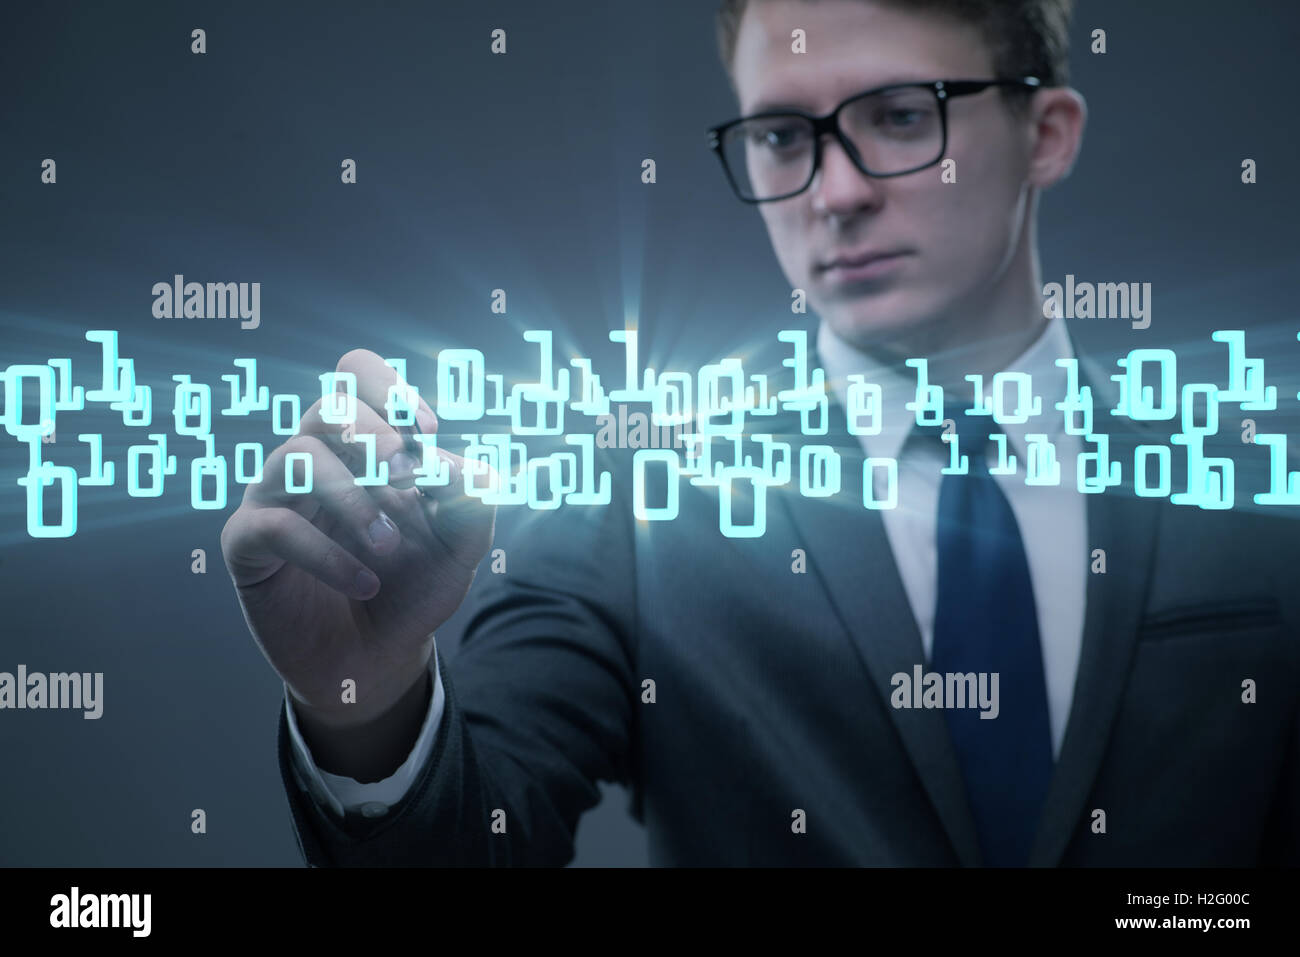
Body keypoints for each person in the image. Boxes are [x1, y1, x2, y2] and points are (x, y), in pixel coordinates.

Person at [220, 0, 1300, 866]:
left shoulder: (1251, 499)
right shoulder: (643, 506)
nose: (832, 194)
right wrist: (365, 703)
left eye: (899, 116)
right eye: (783, 136)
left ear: (1045, 134)